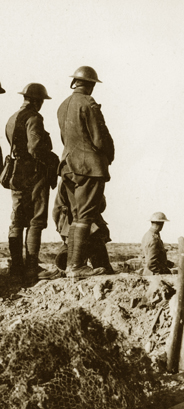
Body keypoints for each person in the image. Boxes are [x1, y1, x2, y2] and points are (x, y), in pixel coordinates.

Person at [57, 66, 114, 279]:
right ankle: (76, 266)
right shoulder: (88, 103)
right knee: (85, 216)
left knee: (76, 216)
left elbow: (65, 138)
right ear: (90, 84)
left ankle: (73, 265)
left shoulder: (63, 105)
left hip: (68, 166)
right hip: (89, 168)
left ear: (75, 83)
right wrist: (109, 154)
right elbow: (99, 139)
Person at [5, 83, 59, 279]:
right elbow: (35, 148)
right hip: (33, 174)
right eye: (41, 101)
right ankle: (31, 267)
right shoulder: (34, 118)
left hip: (16, 175)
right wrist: (51, 159)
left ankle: (16, 267)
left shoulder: (11, 118)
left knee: (17, 220)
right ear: (37, 101)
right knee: (36, 220)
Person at [52, 178, 114, 274]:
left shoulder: (66, 177)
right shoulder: (88, 177)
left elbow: (57, 211)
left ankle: (70, 260)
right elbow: (101, 205)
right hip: (85, 226)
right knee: (96, 242)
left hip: (68, 225)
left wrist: (62, 233)